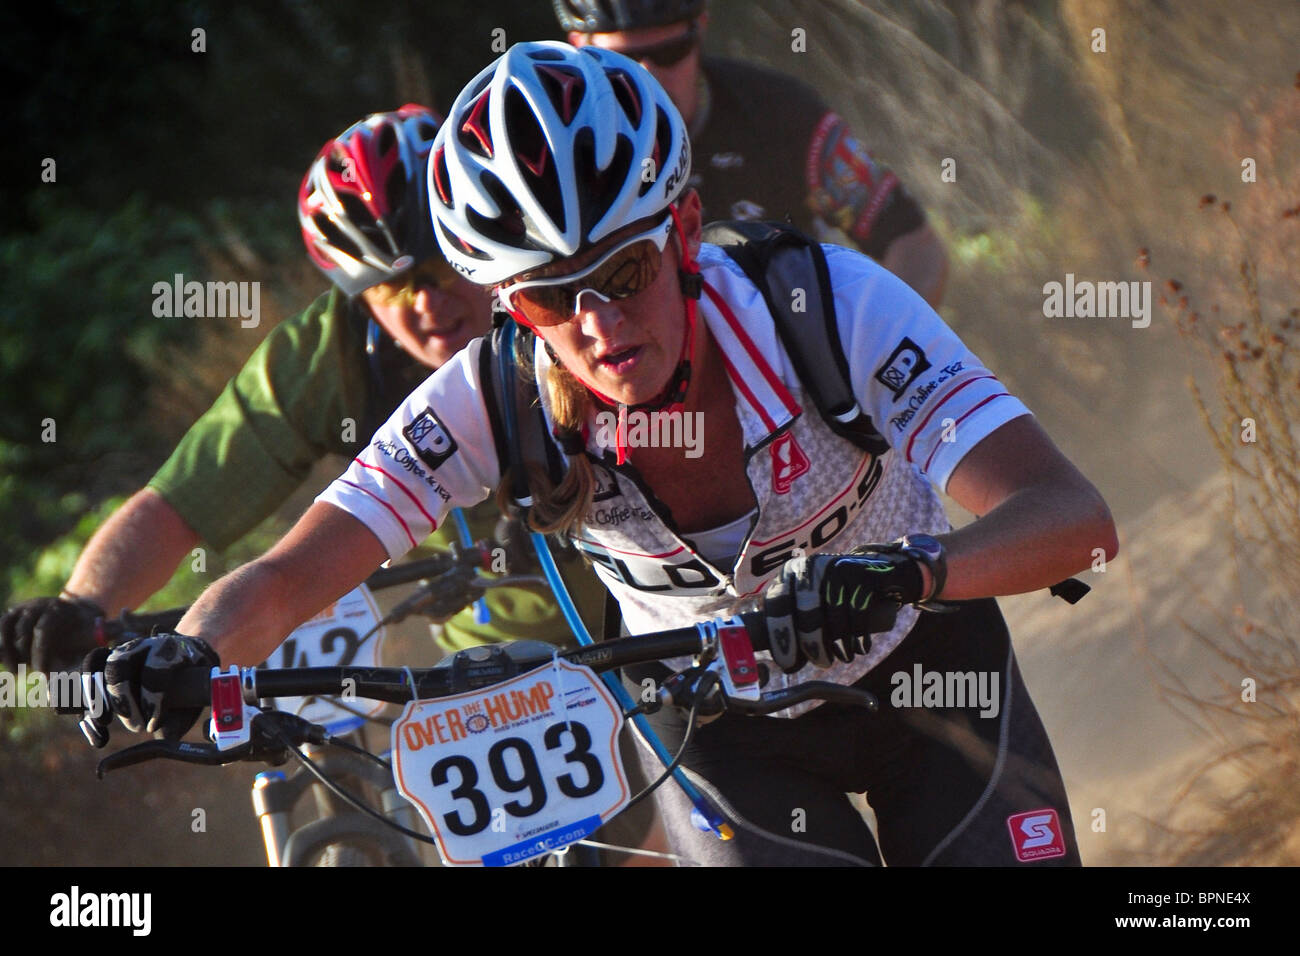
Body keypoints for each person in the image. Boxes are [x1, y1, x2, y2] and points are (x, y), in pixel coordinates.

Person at [94, 44, 1117, 866]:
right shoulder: (489, 394)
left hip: (930, 669)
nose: (594, 322)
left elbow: (1073, 520)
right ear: (508, 305)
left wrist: (909, 570)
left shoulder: (830, 306)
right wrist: (189, 651)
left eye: (624, 272)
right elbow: (289, 573)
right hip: (723, 730)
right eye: (547, 296)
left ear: (682, 230)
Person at [0, 105, 600, 676]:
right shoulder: (326, 355)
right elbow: (181, 503)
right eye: (394, 289)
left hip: (644, 624)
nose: (429, 304)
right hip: (492, 667)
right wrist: (80, 607)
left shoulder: (564, 295)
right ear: (359, 297)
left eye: (443, 270)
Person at [554, 0, 949, 307]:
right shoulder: (552, 146)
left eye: (672, 51)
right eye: (621, 60)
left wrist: (866, 350)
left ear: (702, 28)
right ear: (578, 47)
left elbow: (915, 246)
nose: (648, 76)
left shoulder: (783, 115)